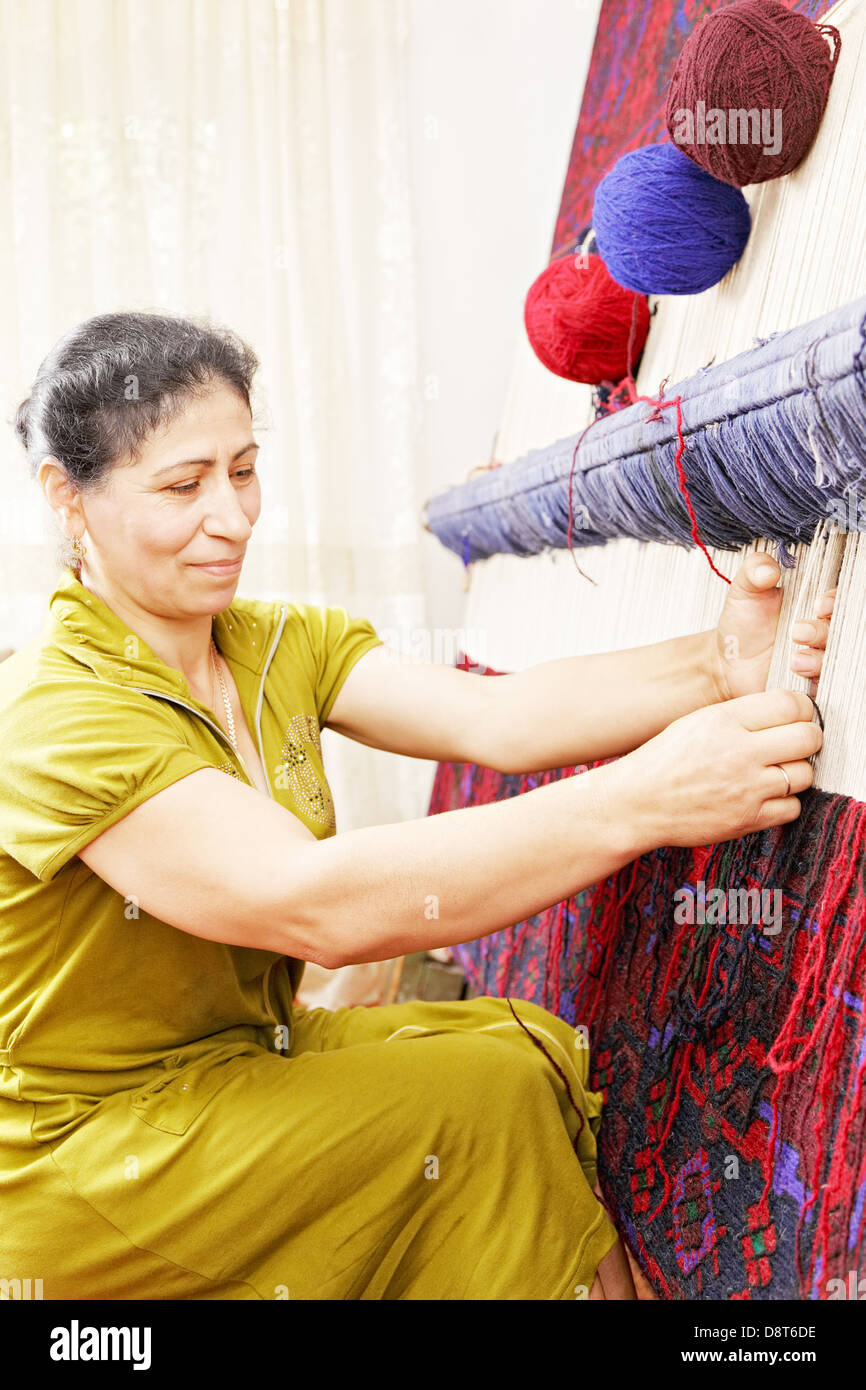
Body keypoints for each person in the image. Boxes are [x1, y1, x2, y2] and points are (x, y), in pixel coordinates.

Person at [0, 311, 830, 1302]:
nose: (233, 516)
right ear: (68, 499)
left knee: (516, 1053)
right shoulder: (60, 710)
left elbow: (495, 715)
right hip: (100, 1148)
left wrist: (712, 663)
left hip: (235, 1057)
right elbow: (315, 905)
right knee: (474, 1104)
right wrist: (644, 801)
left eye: (244, 468)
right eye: (183, 486)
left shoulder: (269, 644)